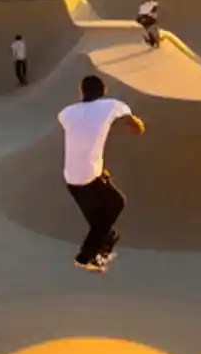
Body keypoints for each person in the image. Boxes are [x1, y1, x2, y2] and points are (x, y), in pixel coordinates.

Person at [58, 75, 145, 272]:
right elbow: (130, 117)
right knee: (116, 203)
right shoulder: (111, 105)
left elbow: (83, 137)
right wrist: (136, 124)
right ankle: (85, 256)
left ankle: (101, 248)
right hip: (89, 176)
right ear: (103, 92)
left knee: (98, 220)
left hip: (72, 178)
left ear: (81, 92)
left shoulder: (67, 113)